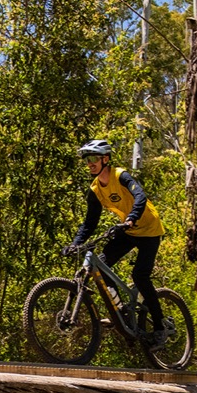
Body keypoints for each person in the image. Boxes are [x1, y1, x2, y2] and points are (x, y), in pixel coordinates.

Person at [66, 139, 169, 343]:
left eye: (94, 158)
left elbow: (140, 196)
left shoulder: (120, 176)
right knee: (102, 267)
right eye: (87, 160)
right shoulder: (95, 189)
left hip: (149, 229)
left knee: (140, 276)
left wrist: (131, 218)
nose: (90, 163)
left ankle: (160, 326)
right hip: (129, 231)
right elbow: (90, 222)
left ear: (105, 159)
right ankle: (121, 311)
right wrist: (75, 243)